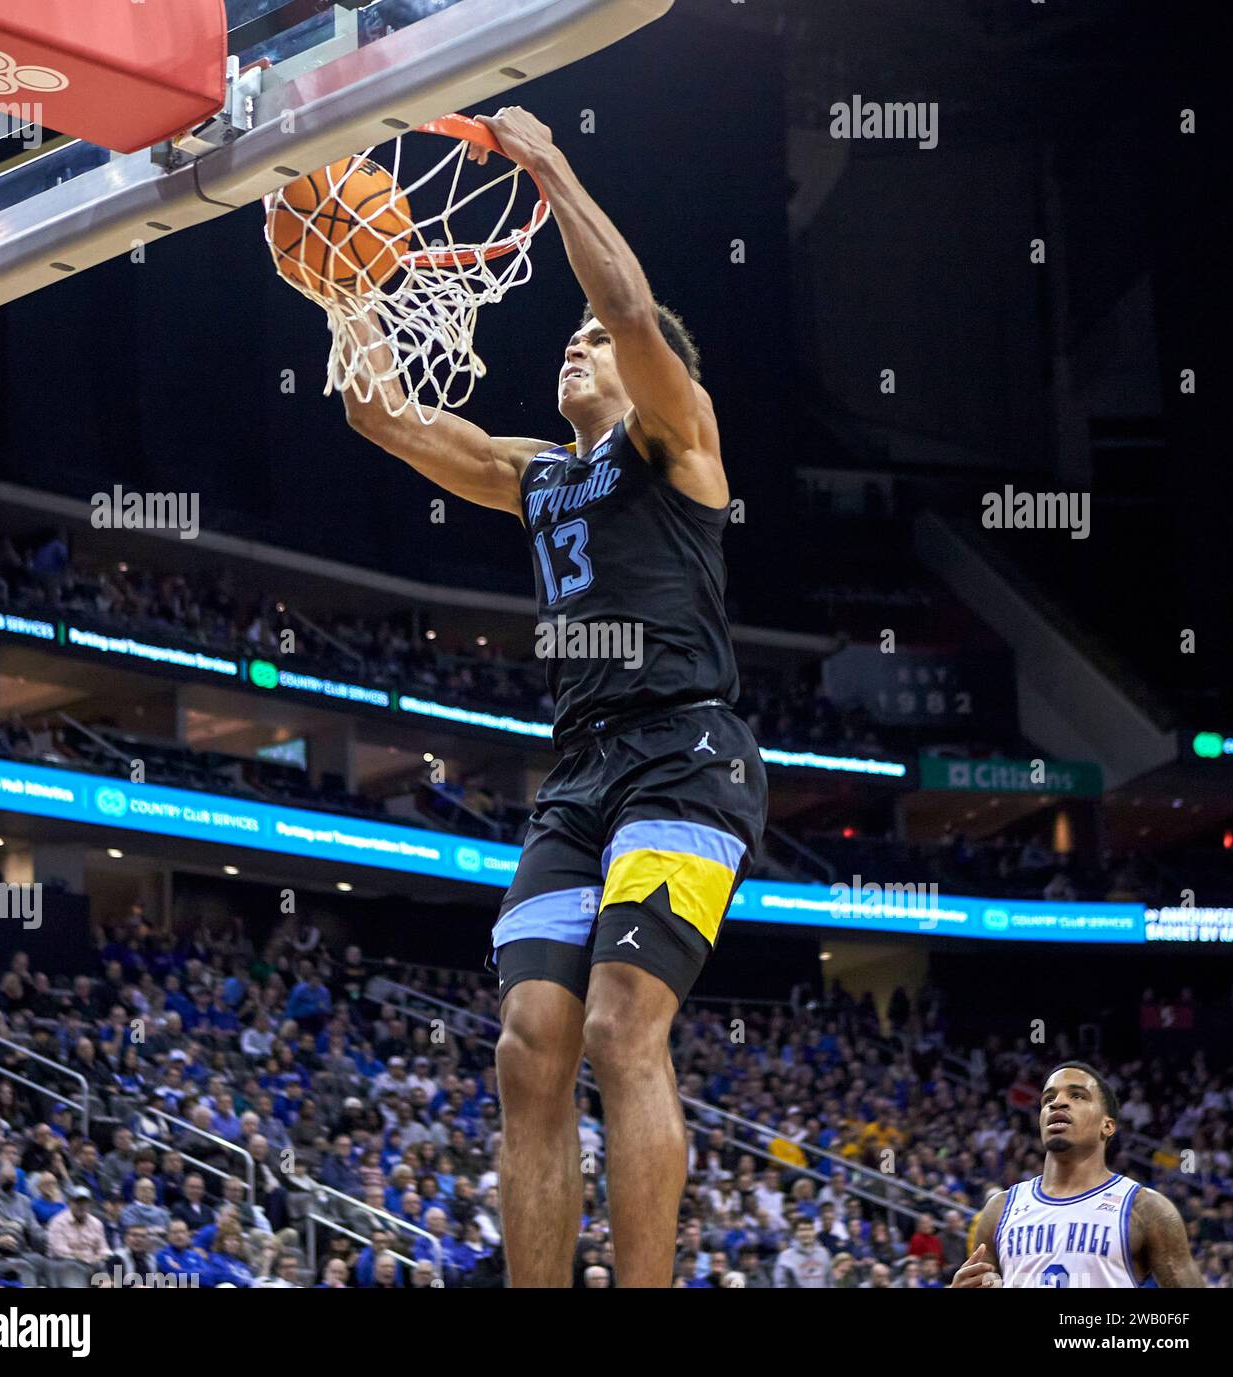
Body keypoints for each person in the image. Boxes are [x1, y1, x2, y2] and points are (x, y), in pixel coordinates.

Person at [341, 104, 766, 1289]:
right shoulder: (536, 474)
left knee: (620, 1026)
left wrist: (553, 165)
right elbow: (380, 414)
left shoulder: (677, 440)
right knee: (529, 1048)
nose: (574, 345)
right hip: (578, 776)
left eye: (590, 341)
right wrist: (346, 281)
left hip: (686, 753)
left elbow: (630, 312)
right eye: (566, 338)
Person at [952, 1062, 1204, 1288]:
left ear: (1107, 1125)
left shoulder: (1146, 1209)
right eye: (1048, 1099)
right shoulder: (1000, 1208)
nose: (1057, 1102)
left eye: (1077, 1095)